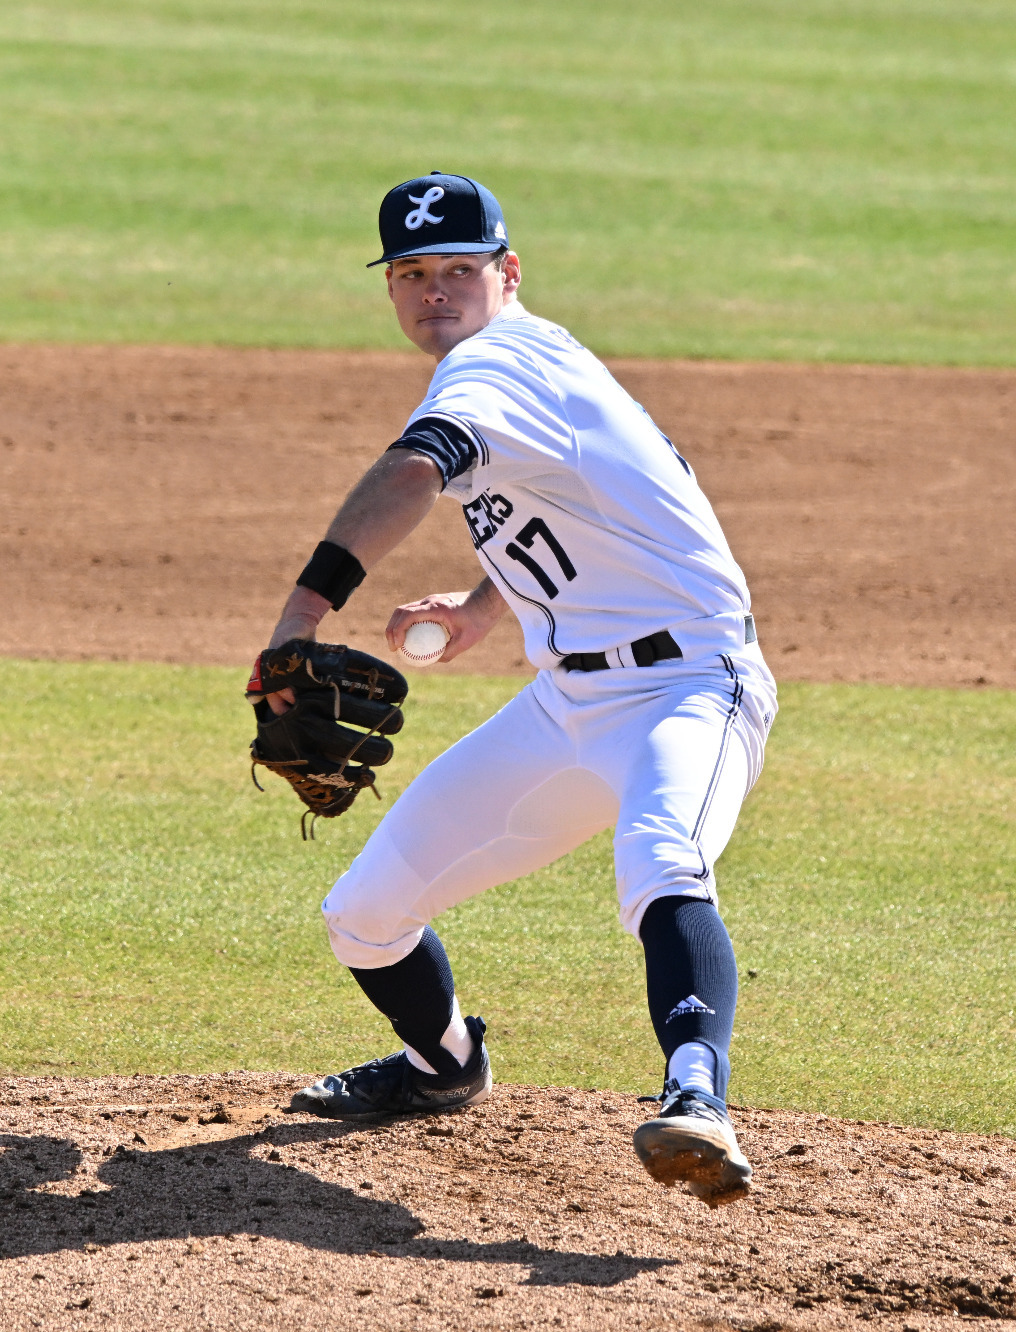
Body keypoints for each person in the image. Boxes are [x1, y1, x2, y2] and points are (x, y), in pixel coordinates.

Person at [256, 172, 777, 1206]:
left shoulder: (497, 364)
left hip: (688, 686)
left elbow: (416, 471)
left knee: (661, 862)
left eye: (458, 269)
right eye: (411, 274)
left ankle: (696, 1099)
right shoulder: (521, 367)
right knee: (362, 915)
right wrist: (483, 608)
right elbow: (593, 506)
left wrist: (300, 617)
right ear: (391, 287)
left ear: (507, 273)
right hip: (562, 707)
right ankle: (444, 1065)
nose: (434, 291)